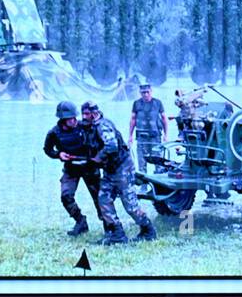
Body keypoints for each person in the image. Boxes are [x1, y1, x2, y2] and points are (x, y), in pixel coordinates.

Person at [83, 100, 157, 244]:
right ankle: (117, 233)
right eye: (83, 114)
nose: (84, 117)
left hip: (122, 169)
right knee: (103, 199)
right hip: (110, 171)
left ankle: (148, 229)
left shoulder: (103, 126)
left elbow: (111, 146)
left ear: (94, 113)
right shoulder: (92, 127)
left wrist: (97, 158)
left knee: (130, 205)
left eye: (86, 114)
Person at [43, 100, 102, 236]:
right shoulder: (54, 133)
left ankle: (108, 224)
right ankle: (80, 222)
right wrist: (59, 154)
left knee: (99, 197)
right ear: (63, 119)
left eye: (76, 117)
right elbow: (47, 149)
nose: (75, 120)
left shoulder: (85, 126)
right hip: (71, 169)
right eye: (71, 118)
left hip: (89, 167)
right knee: (66, 196)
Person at [128, 83, 168, 173]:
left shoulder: (158, 103)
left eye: (147, 92)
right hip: (141, 138)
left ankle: (159, 185)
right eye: (143, 92)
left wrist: (166, 135)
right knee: (142, 164)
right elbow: (133, 120)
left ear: (151, 92)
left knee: (158, 162)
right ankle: (143, 186)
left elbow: (164, 119)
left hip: (155, 137)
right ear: (140, 93)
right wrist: (130, 136)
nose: (145, 94)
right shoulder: (136, 103)